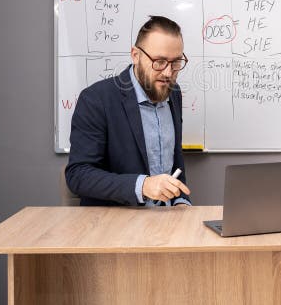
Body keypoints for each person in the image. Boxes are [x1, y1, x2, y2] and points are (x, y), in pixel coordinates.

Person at [66, 15, 191, 206]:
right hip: (115, 226)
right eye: (159, 61)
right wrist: (143, 186)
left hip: (166, 222)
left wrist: (181, 201)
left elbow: (175, 162)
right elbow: (79, 175)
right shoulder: (96, 99)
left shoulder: (173, 92)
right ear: (135, 55)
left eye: (176, 63)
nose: (168, 73)